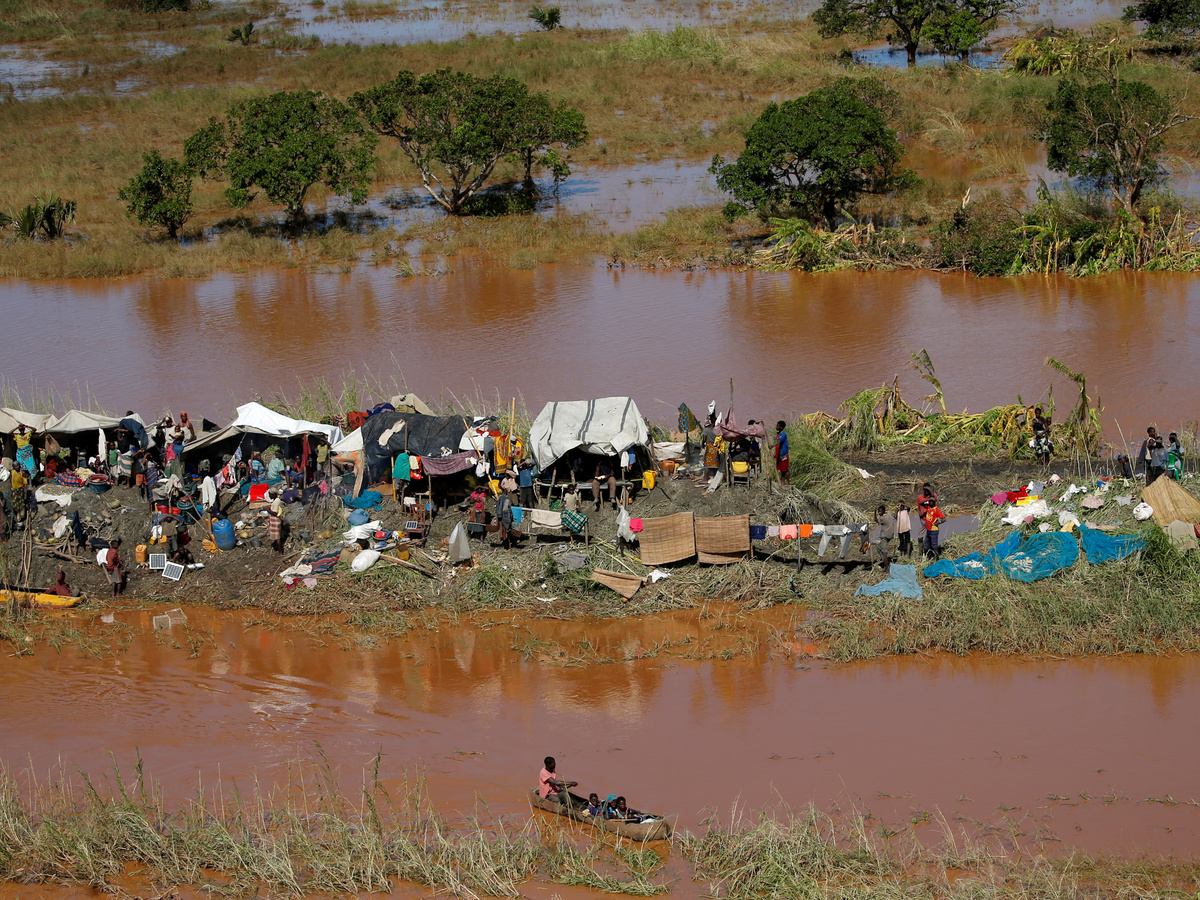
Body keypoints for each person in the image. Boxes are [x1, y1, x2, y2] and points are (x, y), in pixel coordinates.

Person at [774, 421, 789, 486]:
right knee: (781, 469)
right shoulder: (778, 434)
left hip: (784, 454)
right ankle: (783, 483)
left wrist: (772, 446)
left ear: (781, 427)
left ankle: (788, 483)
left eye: (777, 426)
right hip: (779, 454)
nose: (776, 427)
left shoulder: (783, 434)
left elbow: (779, 442)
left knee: (785, 469)